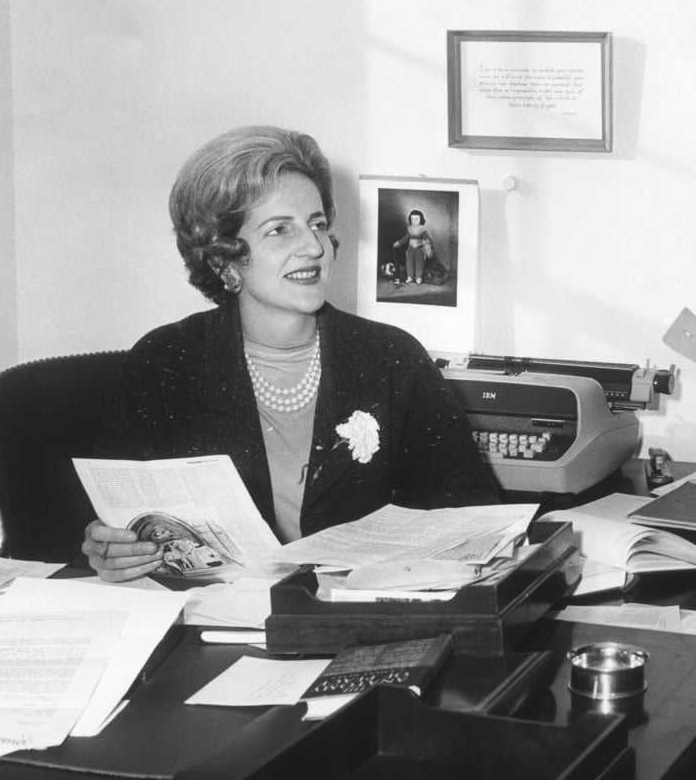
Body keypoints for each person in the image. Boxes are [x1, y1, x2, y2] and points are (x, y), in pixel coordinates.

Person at [82, 127, 499, 581]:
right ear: (224, 259)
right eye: (280, 230)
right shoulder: (167, 362)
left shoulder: (391, 358)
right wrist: (111, 550)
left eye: (317, 224)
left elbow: (472, 520)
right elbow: (110, 525)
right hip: (211, 613)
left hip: (356, 612)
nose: (315, 247)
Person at [392, 209, 431, 284]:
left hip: (419, 250)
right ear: (410, 219)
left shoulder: (422, 230)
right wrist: (398, 243)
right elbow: (405, 239)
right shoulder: (410, 229)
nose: (414, 221)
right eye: (412, 219)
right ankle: (410, 276)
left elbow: (427, 239)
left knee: (420, 263)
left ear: (421, 219)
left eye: (416, 219)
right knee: (409, 263)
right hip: (410, 250)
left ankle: (418, 277)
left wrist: (427, 245)